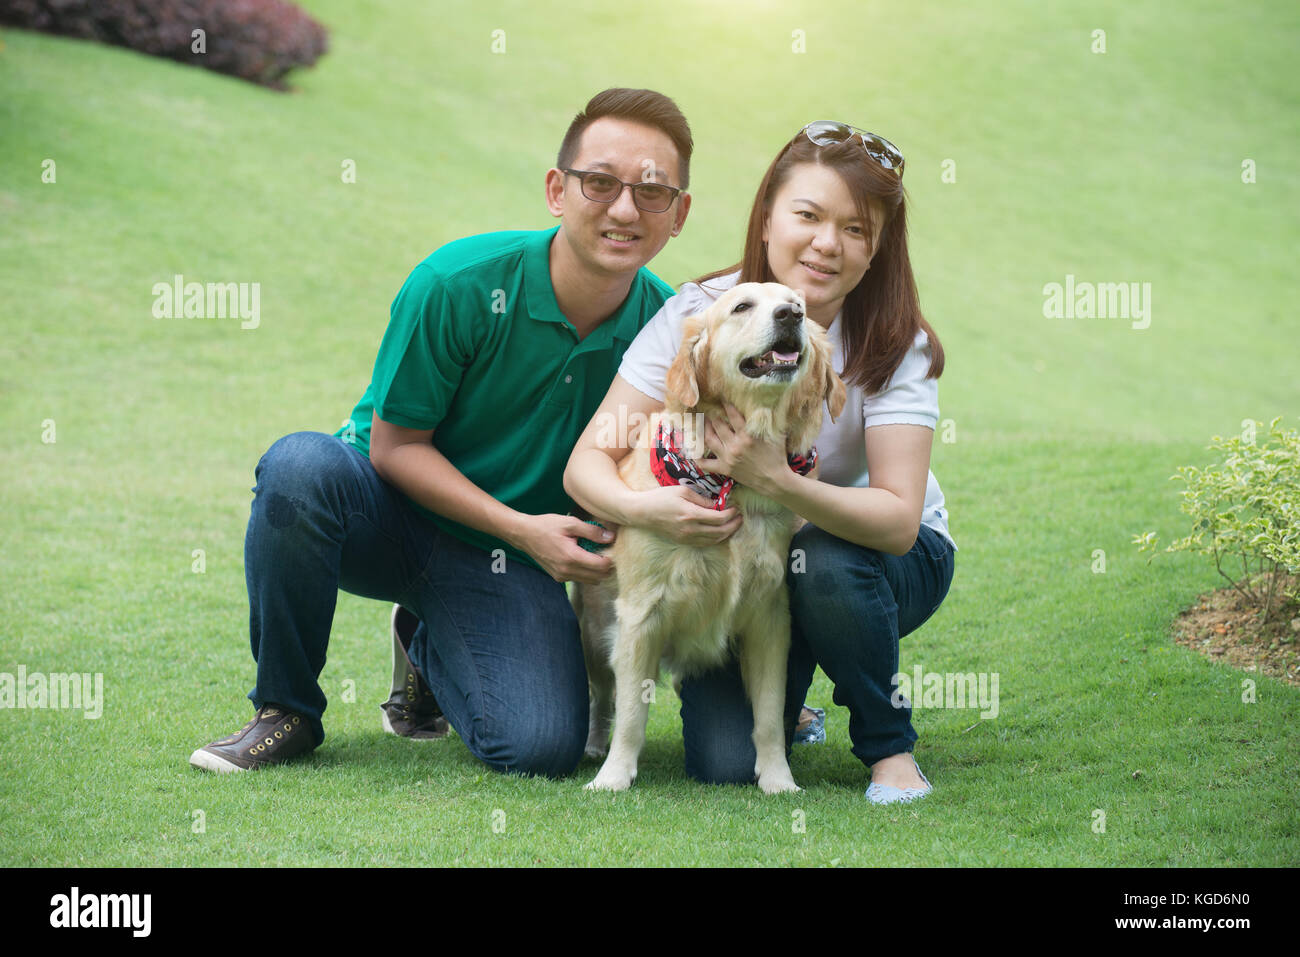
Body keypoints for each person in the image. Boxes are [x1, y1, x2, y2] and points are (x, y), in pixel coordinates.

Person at [189, 88, 693, 777]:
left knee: (539, 747)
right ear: (557, 189)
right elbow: (395, 448)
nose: (625, 208)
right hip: (385, 512)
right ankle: (287, 710)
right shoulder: (457, 282)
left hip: (509, 559)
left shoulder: (669, 332)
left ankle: (425, 644)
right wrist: (522, 528)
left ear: (679, 214)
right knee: (299, 468)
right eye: (599, 183)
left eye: (652, 192)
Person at [563, 121, 955, 804]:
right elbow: (588, 464)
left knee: (824, 564)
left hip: (882, 558)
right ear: (768, 218)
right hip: (747, 562)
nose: (827, 243)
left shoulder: (897, 344)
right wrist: (644, 508)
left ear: (877, 248)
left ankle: (890, 754)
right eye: (807, 216)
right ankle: (792, 704)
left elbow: (896, 522)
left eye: (856, 229)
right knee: (721, 761)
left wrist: (774, 478)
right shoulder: (701, 311)